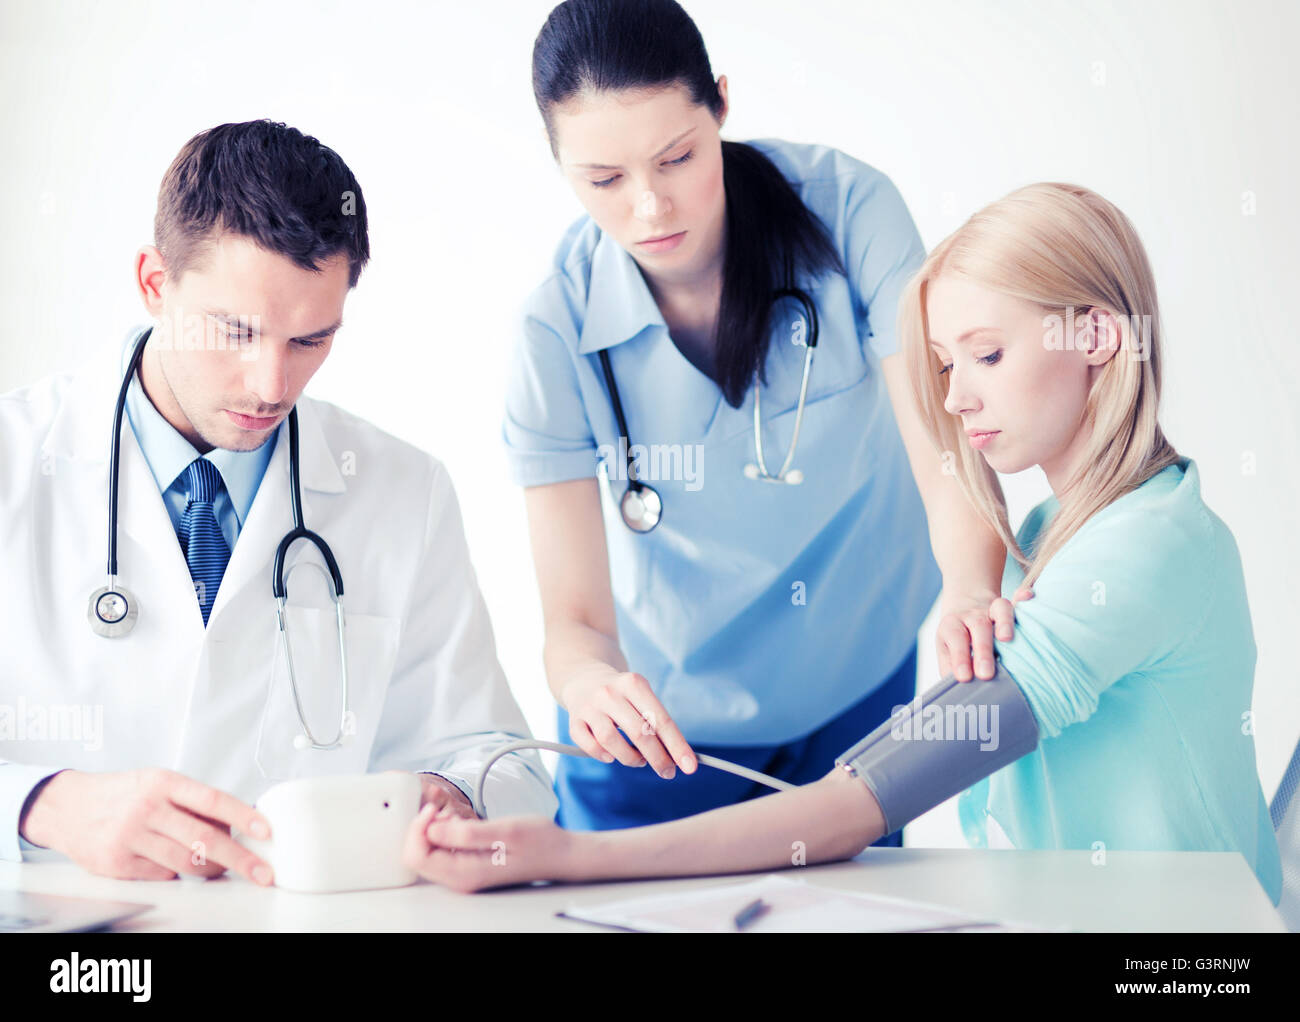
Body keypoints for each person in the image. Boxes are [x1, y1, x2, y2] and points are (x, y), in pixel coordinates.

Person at [404, 182, 1283, 906]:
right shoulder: (1059, 536)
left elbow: (855, 806)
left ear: (1096, 337)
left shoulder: (1141, 554)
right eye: (942, 366)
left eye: (986, 355)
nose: (955, 398)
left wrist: (563, 854)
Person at [505, 0, 1023, 834]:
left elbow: (949, 444)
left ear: (720, 105)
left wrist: (970, 585)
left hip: (854, 691)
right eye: (602, 180)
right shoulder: (553, 333)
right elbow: (575, 623)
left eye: (677, 157)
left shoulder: (850, 210)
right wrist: (588, 684)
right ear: (558, 160)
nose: (649, 207)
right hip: (660, 739)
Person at [0, 120, 555, 884]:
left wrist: (454, 795)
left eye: (310, 340)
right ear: (155, 285)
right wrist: (39, 804)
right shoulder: (14, 459)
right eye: (236, 332)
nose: (272, 386)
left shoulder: (403, 492)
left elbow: (501, 763)